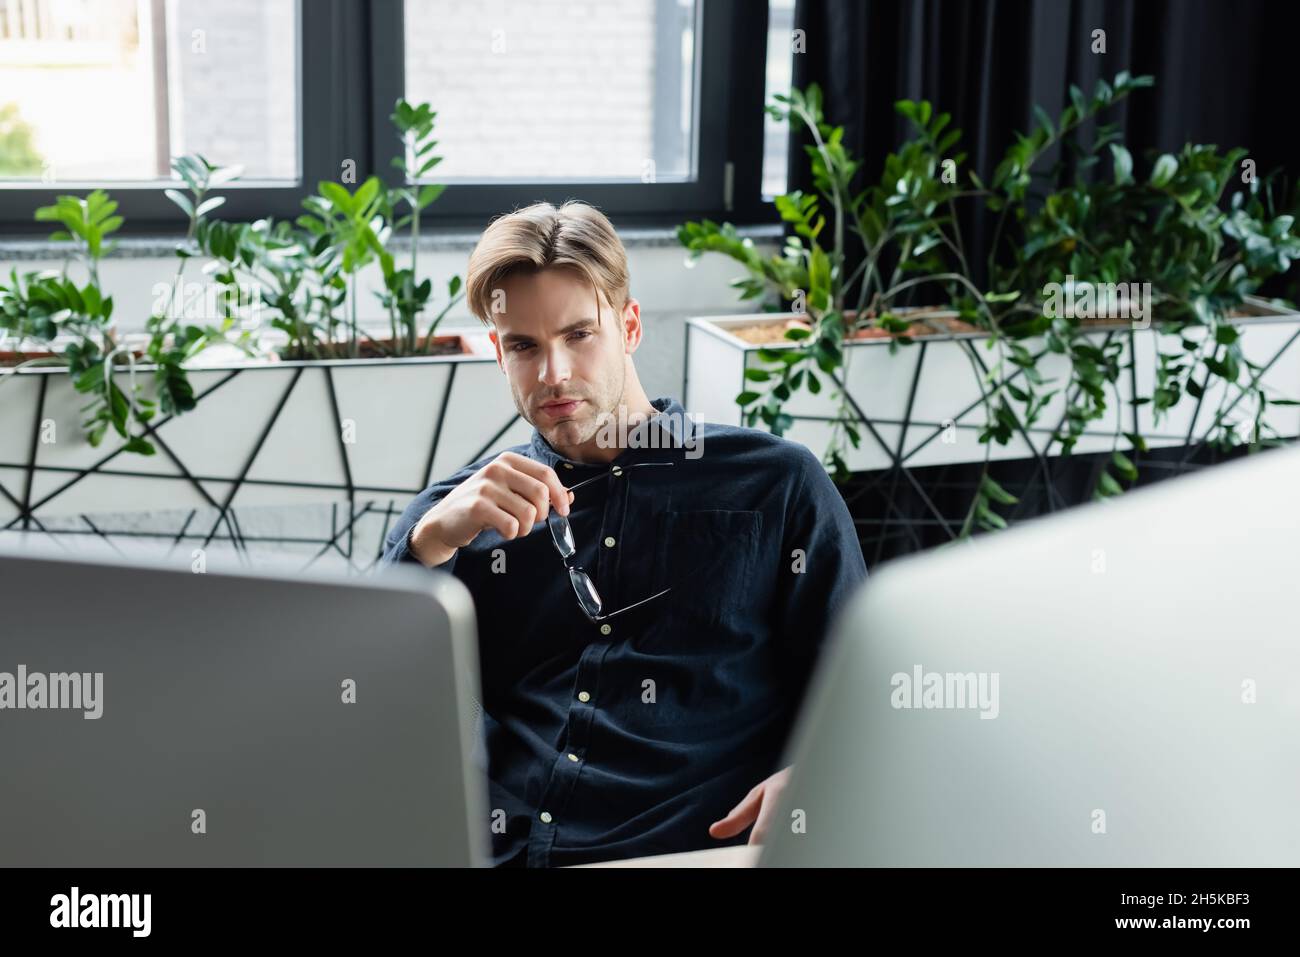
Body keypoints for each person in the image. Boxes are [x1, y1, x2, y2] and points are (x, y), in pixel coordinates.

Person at [381, 200, 866, 867]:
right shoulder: (458, 518)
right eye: (524, 345)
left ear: (629, 326)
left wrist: (816, 779)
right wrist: (426, 544)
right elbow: (370, 702)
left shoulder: (777, 484)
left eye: (580, 334)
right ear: (499, 352)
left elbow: (861, 690)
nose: (553, 373)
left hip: (695, 852)